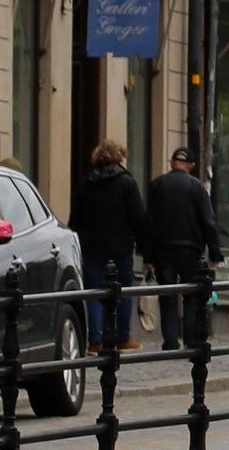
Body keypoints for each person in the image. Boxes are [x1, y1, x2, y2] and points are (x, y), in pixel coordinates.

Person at [66, 139, 147, 349]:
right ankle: (123, 337)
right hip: (120, 247)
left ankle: (95, 340)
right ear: (118, 157)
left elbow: (75, 219)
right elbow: (138, 218)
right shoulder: (127, 183)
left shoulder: (86, 184)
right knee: (123, 290)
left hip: (92, 248)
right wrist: (144, 248)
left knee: (94, 293)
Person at [145, 147, 221, 351]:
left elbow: (149, 222)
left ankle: (170, 340)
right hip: (190, 250)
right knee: (192, 295)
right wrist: (215, 252)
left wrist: (148, 255)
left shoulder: (157, 185)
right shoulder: (196, 187)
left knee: (167, 295)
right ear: (191, 166)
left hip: (163, 250)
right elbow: (208, 221)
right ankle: (190, 338)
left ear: (172, 163)